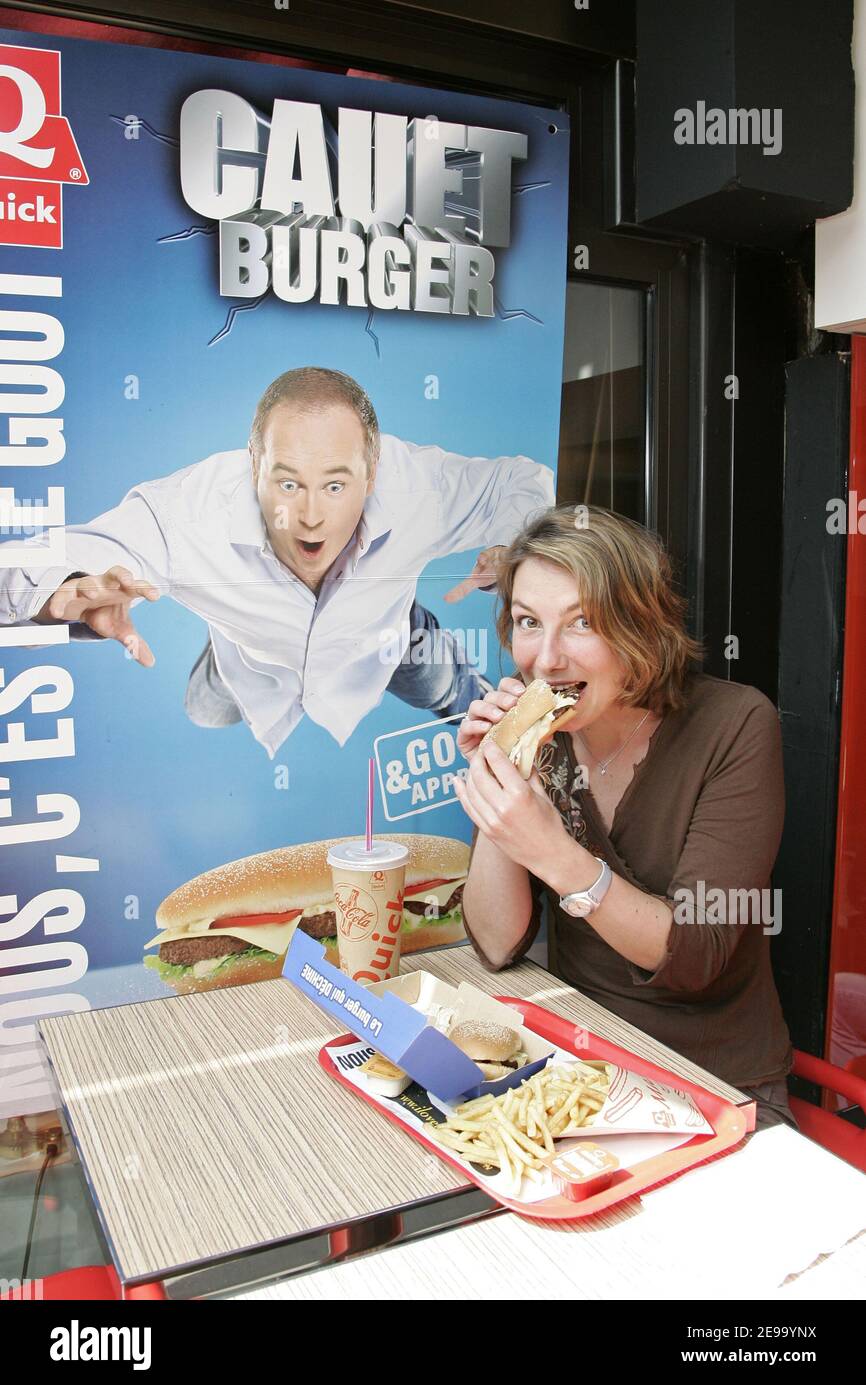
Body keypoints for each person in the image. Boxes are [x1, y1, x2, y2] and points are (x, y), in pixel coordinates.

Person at [453, 504, 798, 1132]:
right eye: (529, 622)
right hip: (577, 1072)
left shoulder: (737, 725)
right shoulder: (542, 736)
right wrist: (505, 771)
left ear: (641, 626)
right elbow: (496, 944)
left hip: (714, 1084)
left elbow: (694, 956)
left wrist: (555, 855)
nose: (547, 659)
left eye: (582, 622)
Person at [0, 367, 553, 756]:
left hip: (380, 639)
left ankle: (411, 625)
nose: (311, 516)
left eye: (336, 485)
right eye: (288, 482)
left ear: (374, 468)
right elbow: (43, 559)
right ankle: (230, 635)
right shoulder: (191, 507)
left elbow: (522, 479)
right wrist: (61, 587)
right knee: (208, 710)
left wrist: (515, 544)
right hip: (252, 654)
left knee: (442, 686)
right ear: (253, 464)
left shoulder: (417, 487)